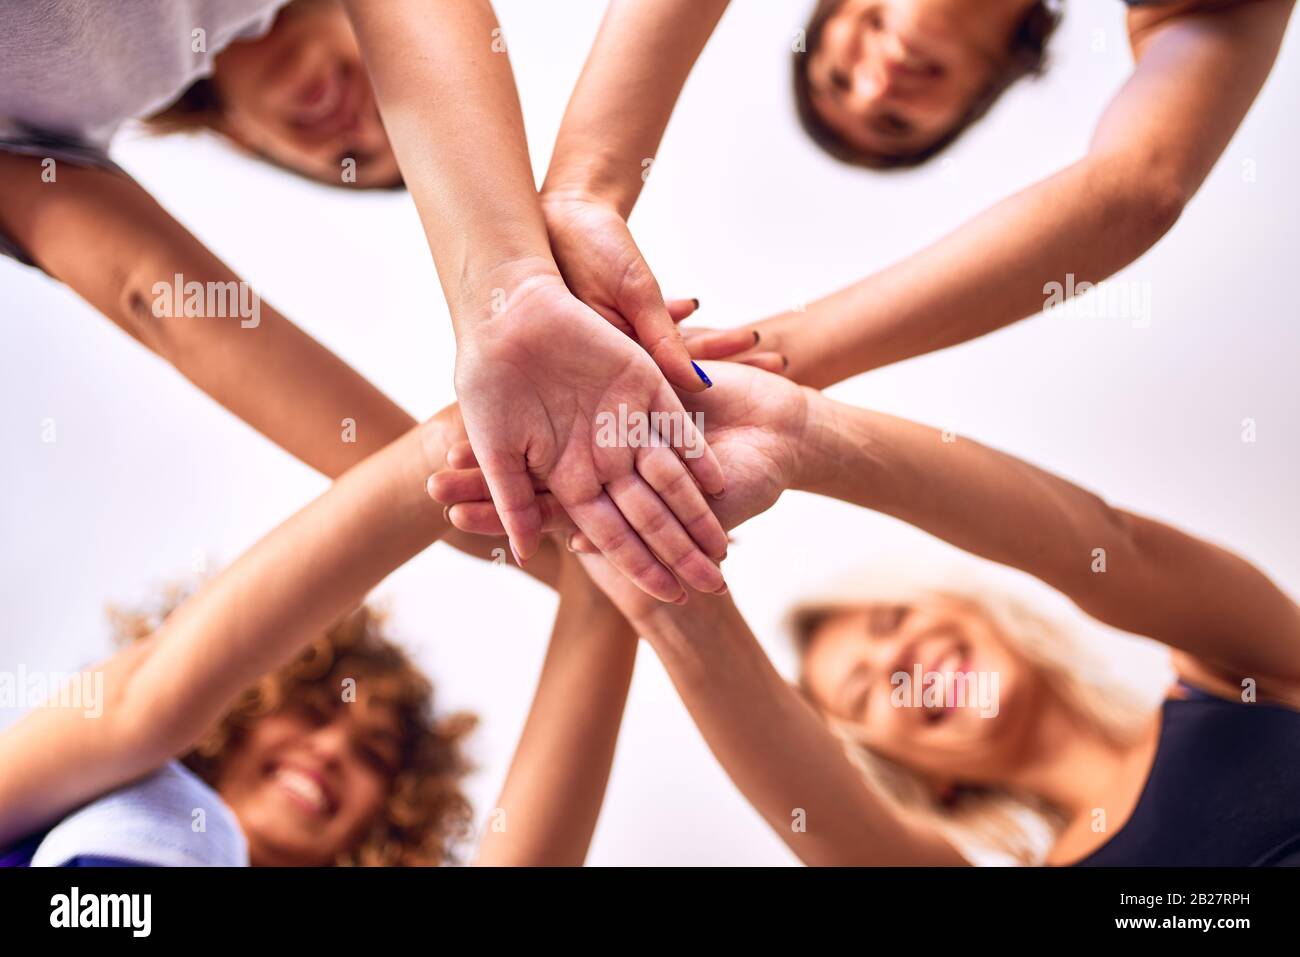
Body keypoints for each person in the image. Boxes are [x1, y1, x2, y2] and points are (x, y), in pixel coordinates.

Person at [1, 0, 751, 606]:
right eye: (391, 110)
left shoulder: (34, 144)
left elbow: (159, 303)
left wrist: (579, 546)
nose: (359, 129)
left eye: (346, 164)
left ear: (241, 140)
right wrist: (510, 289)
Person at [433, 360, 1300, 865]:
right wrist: (644, 553)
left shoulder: (1239, 681)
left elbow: (1107, 547)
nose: (900, 661)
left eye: (893, 623)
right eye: (866, 690)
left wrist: (808, 436)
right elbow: (839, 830)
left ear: (989, 616)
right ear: (910, 770)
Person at [0, 407, 639, 867]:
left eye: (375, 757)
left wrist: (621, 547)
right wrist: (471, 432)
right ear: (230, 715)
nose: (332, 752)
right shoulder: (58, 798)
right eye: (311, 710)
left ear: (390, 818)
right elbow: (147, 702)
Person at [540, 0, 1296, 385]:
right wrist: (768, 362)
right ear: (983, 90)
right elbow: (1139, 189)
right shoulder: (1190, 12)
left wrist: (583, 195)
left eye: (836, 75)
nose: (877, 83)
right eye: (897, 123)